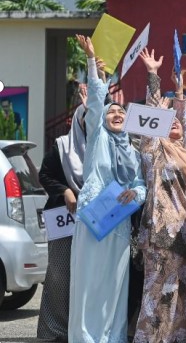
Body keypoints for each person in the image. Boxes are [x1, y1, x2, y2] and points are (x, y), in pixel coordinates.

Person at [69, 35, 147, 343]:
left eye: (122, 114)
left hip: (118, 221)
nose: (116, 115)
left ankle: (112, 338)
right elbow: (96, 105)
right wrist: (92, 62)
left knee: (115, 283)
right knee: (88, 281)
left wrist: (135, 195)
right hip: (93, 217)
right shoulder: (97, 140)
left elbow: (141, 184)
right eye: (113, 112)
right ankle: (85, 338)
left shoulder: (133, 151)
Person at [133, 49, 186, 342]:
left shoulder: (185, 152)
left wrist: (181, 91)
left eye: (177, 122)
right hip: (161, 235)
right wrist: (153, 78)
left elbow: (181, 119)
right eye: (168, 121)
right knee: (157, 292)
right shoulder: (154, 151)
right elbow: (150, 124)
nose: (175, 123)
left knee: (182, 295)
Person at [37, 96, 86, 342]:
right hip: (64, 217)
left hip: (98, 222)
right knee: (59, 274)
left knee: (89, 276)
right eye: (86, 117)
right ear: (78, 121)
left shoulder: (108, 146)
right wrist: (66, 191)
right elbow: (44, 175)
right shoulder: (62, 146)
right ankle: (55, 332)